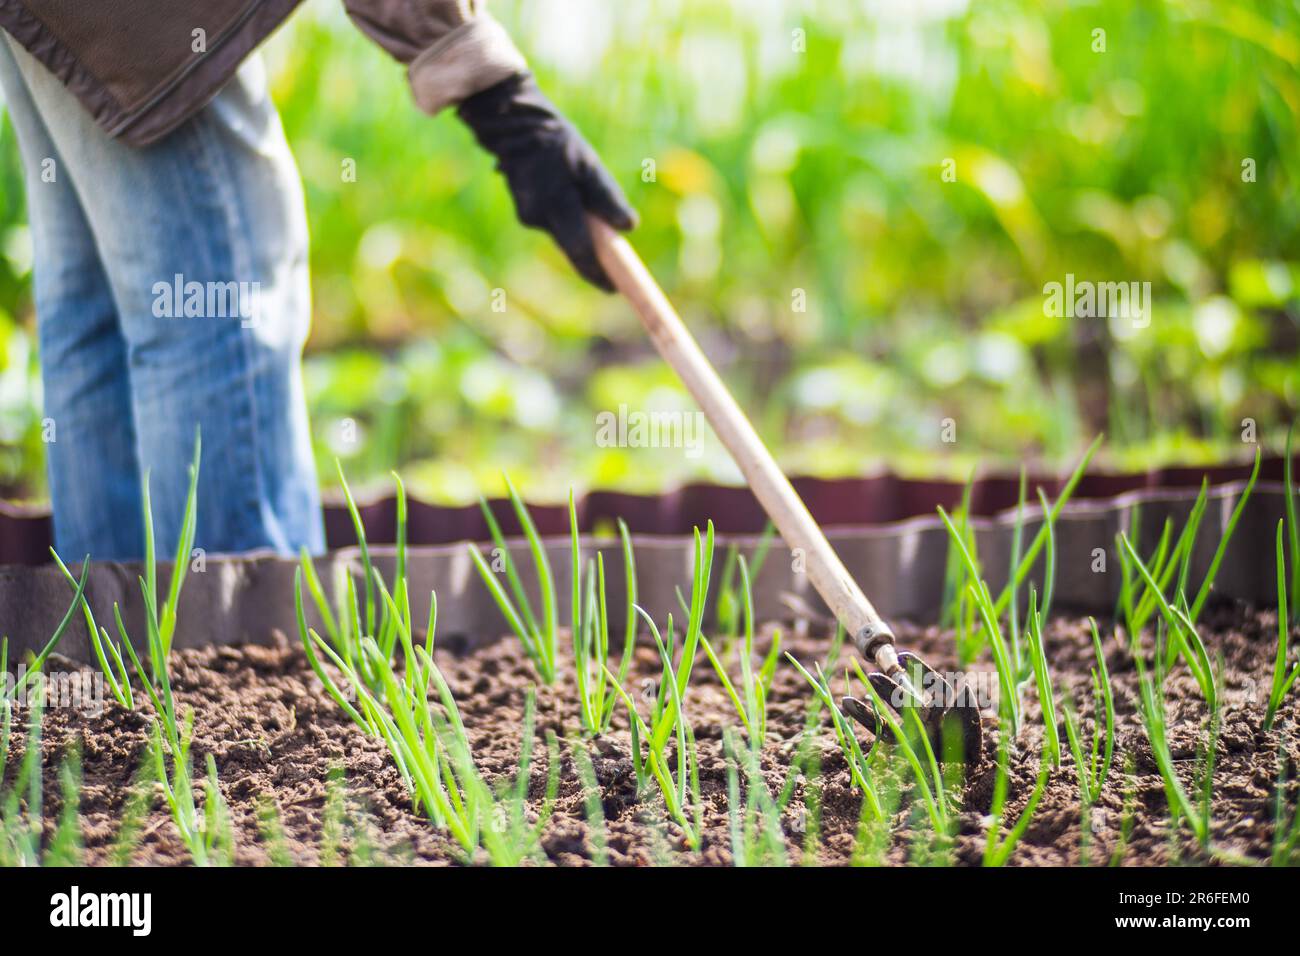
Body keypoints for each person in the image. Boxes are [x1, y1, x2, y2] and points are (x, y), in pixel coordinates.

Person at [0, 1, 636, 561]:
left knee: (94, 303)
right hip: (141, 23)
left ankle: (111, 669)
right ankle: (236, 666)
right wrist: (487, 82)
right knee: (222, 288)